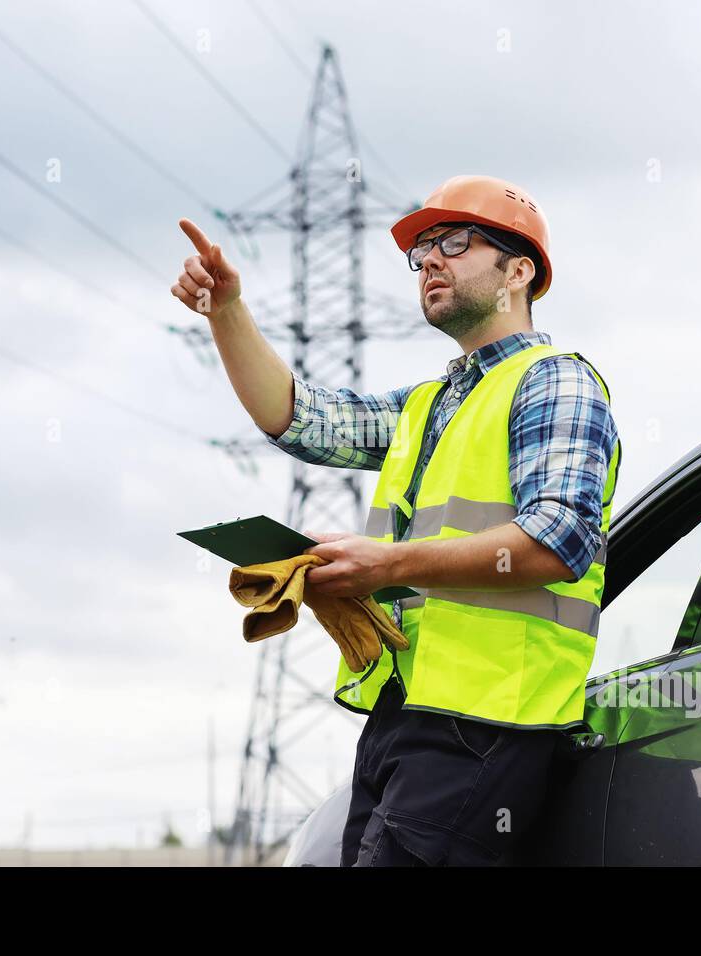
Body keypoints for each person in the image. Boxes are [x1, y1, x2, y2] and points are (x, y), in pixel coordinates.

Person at [171, 175, 620, 866]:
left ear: (519, 271)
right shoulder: (427, 405)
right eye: (422, 252)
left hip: (490, 722)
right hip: (404, 714)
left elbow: (558, 541)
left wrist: (385, 564)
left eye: (454, 243)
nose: (430, 260)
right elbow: (298, 419)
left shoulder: (554, 381)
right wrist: (227, 310)